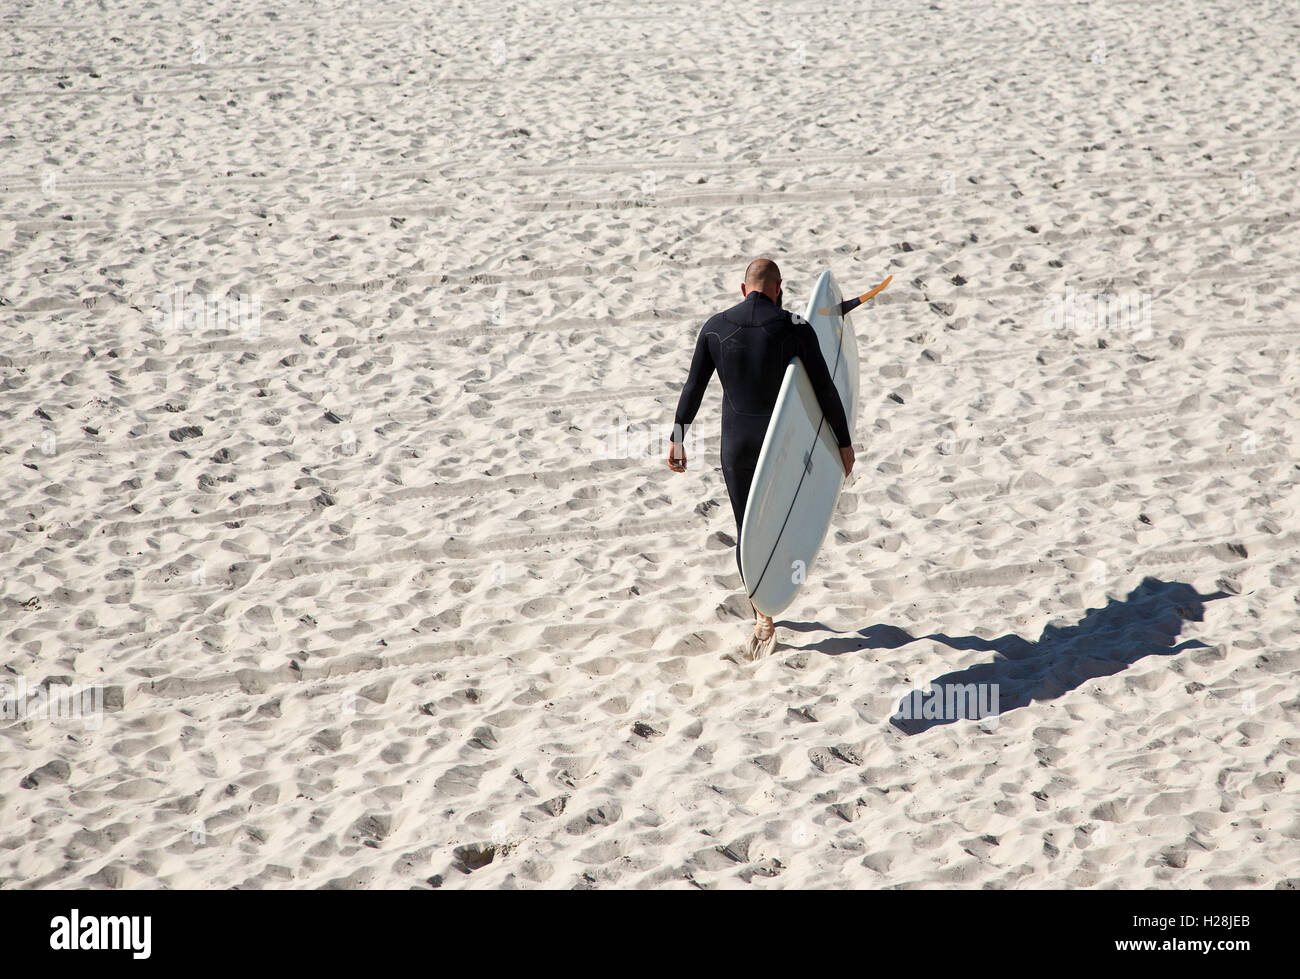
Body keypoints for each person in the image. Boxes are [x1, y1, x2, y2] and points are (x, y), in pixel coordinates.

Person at [666, 258, 854, 657]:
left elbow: (693, 388)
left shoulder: (715, 327)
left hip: (736, 448)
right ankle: (772, 600)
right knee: (785, 517)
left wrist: (677, 437)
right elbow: (824, 387)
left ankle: (761, 613)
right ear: (778, 287)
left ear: (742, 288)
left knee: (747, 528)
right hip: (780, 445)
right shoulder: (794, 328)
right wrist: (843, 441)